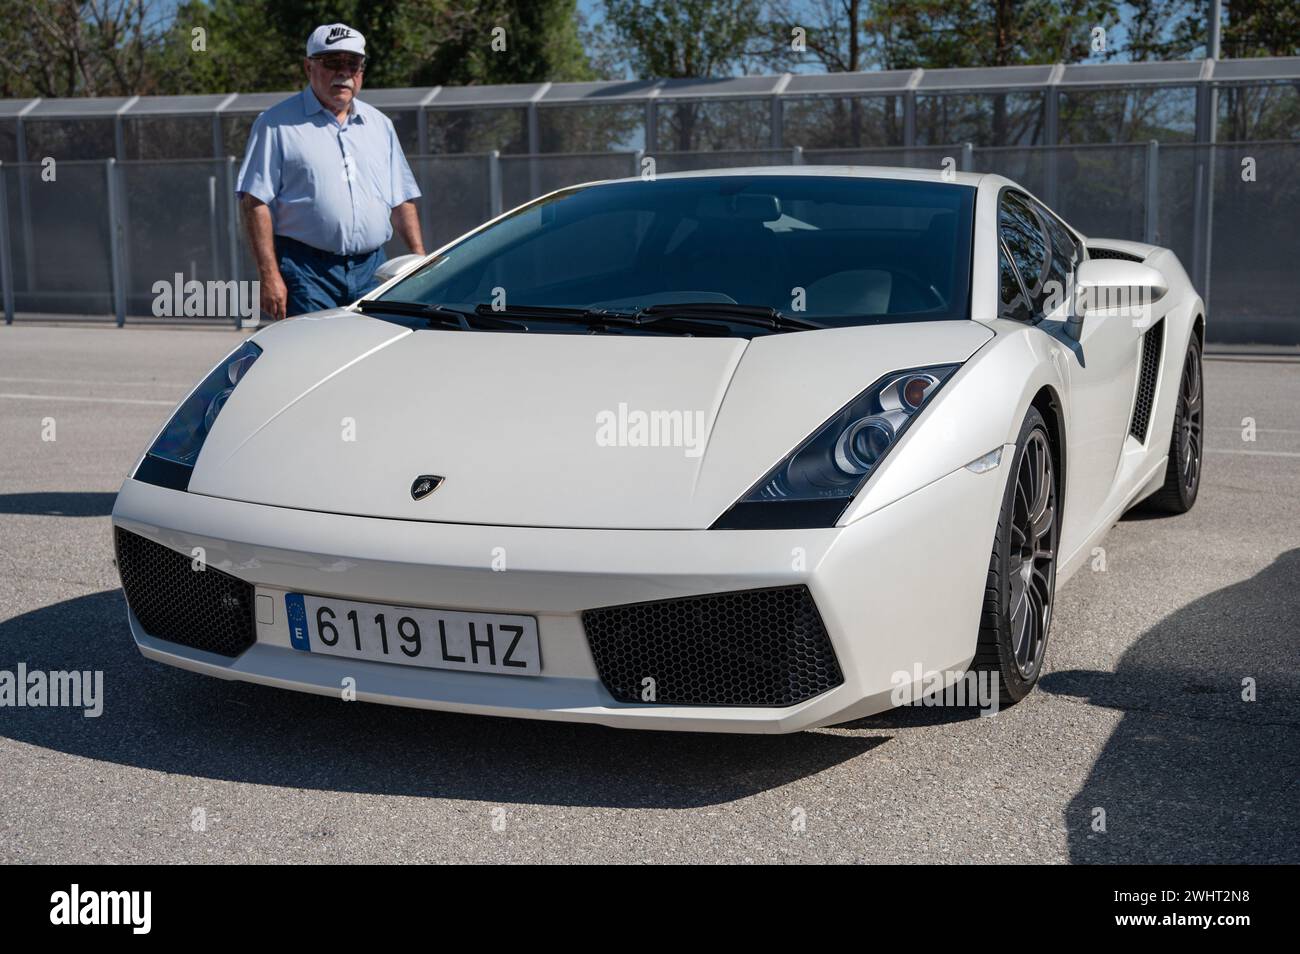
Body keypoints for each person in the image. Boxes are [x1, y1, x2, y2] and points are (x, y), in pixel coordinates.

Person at [236, 23, 425, 319]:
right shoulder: (275, 124)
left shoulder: (380, 125)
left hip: (373, 270)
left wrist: (418, 261)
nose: (344, 72)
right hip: (306, 272)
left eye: (353, 64)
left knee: (374, 355)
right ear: (308, 67)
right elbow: (254, 202)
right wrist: (269, 275)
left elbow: (401, 198)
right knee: (312, 358)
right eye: (333, 62)